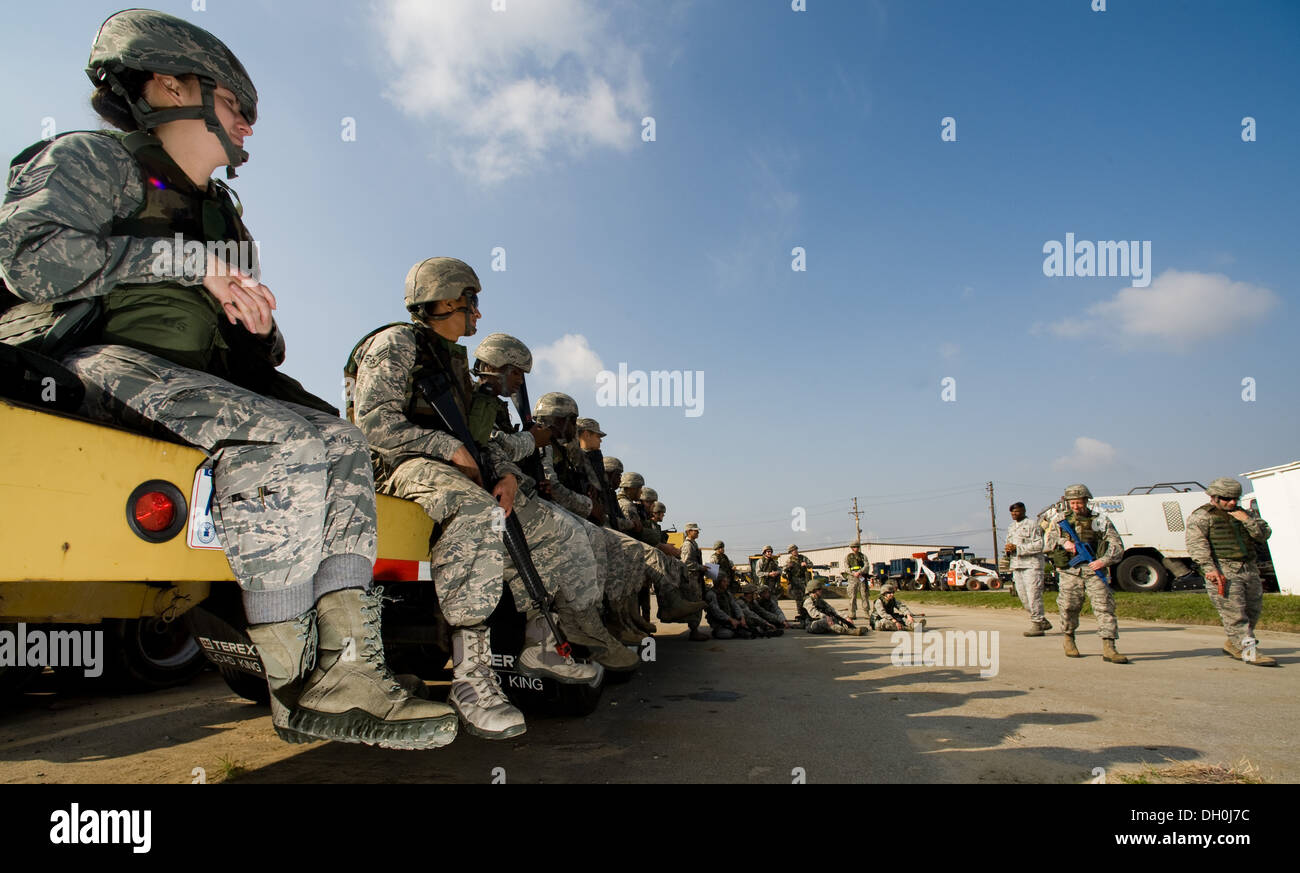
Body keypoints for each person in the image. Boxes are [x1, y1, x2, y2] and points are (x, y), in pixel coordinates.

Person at [0, 10, 454, 750]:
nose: (249, 127)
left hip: (188, 378)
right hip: (92, 358)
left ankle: (346, 672)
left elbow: (252, 349)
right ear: (173, 84)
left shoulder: (223, 218)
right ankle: (292, 676)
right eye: (239, 107)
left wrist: (256, 326)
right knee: (281, 444)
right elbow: (29, 260)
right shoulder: (98, 161)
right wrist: (186, 265)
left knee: (338, 442)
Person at [349, 258, 605, 740]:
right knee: (480, 512)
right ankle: (471, 679)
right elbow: (373, 424)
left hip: (452, 470)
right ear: (445, 299)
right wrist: (445, 448)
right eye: (472, 302)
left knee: (548, 524)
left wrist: (506, 474)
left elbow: (480, 442)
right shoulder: (396, 344)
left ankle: (541, 642)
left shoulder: (454, 366)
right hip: (396, 467)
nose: (477, 315)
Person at [471, 340, 638, 673]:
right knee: (574, 535)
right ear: (497, 368)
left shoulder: (497, 406)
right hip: (497, 494)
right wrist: (534, 439)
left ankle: (587, 624)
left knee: (590, 537)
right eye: (516, 373)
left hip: (515, 490)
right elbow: (492, 447)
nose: (520, 382)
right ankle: (578, 627)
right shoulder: (478, 402)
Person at [1186, 477, 1277, 666]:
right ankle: (1249, 651)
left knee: (1253, 611)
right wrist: (1209, 569)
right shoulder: (1202, 516)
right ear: (1214, 497)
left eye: (1235, 498)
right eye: (1227, 498)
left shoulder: (1244, 514)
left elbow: (1264, 535)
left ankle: (1233, 643)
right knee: (1235, 616)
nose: (1233, 502)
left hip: (1249, 568)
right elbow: (1196, 544)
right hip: (1223, 571)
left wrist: (1246, 520)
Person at [1043, 484, 1128, 663]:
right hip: (1070, 571)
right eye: (1072, 503)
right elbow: (1047, 543)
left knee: (1104, 607)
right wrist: (1063, 542)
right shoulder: (1060, 520)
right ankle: (1069, 638)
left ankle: (1109, 647)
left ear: (1086, 501)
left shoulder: (1100, 520)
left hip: (1094, 569)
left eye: (1078, 502)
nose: (1075, 506)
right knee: (1068, 606)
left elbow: (1117, 545)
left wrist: (1103, 561)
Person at [1005, 502, 1051, 636]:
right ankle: (1041, 621)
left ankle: (1037, 623)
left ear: (1024, 511)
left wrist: (1018, 548)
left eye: (1017, 512)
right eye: (1012, 512)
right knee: (1024, 598)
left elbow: (1039, 544)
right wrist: (1009, 550)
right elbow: (1011, 544)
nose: (1014, 514)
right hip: (1017, 564)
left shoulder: (1032, 525)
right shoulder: (1011, 527)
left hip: (1031, 565)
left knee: (1033, 596)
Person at [678, 523, 713, 641]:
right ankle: (694, 631)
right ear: (689, 532)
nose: (698, 532)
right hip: (691, 579)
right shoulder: (688, 545)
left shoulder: (693, 544)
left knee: (698, 602)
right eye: (695, 531)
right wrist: (700, 567)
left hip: (696, 578)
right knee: (695, 603)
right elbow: (685, 563)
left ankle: (695, 629)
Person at [703, 572, 751, 639]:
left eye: (727, 581)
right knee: (728, 634)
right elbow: (716, 612)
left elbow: (735, 606)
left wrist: (742, 618)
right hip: (720, 623)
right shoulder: (711, 594)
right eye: (724, 582)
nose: (727, 584)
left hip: (730, 620)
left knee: (748, 621)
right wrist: (731, 620)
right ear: (718, 582)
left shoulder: (727, 593)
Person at [785, 545, 813, 625]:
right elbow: (784, 570)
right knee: (798, 599)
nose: (795, 551)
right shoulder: (789, 560)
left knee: (806, 597)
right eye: (793, 550)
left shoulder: (803, 557)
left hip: (803, 580)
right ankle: (801, 614)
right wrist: (788, 567)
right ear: (790, 552)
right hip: (794, 581)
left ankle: (807, 613)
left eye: (795, 549)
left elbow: (811, 564)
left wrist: (806, 565)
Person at [845, 541, 870, 619]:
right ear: (852, 548)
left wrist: (859, 572)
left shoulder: (863, 556)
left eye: (857, 547)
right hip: (852, 578)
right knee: (852, 596)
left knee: (864, 595)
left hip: (861, 577)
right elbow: (846, 568)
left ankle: (866, 612)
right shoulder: (848, 557)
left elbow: (866, 566)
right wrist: (853, 573)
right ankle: (852, 613)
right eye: (854, 547)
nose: (856, 548)